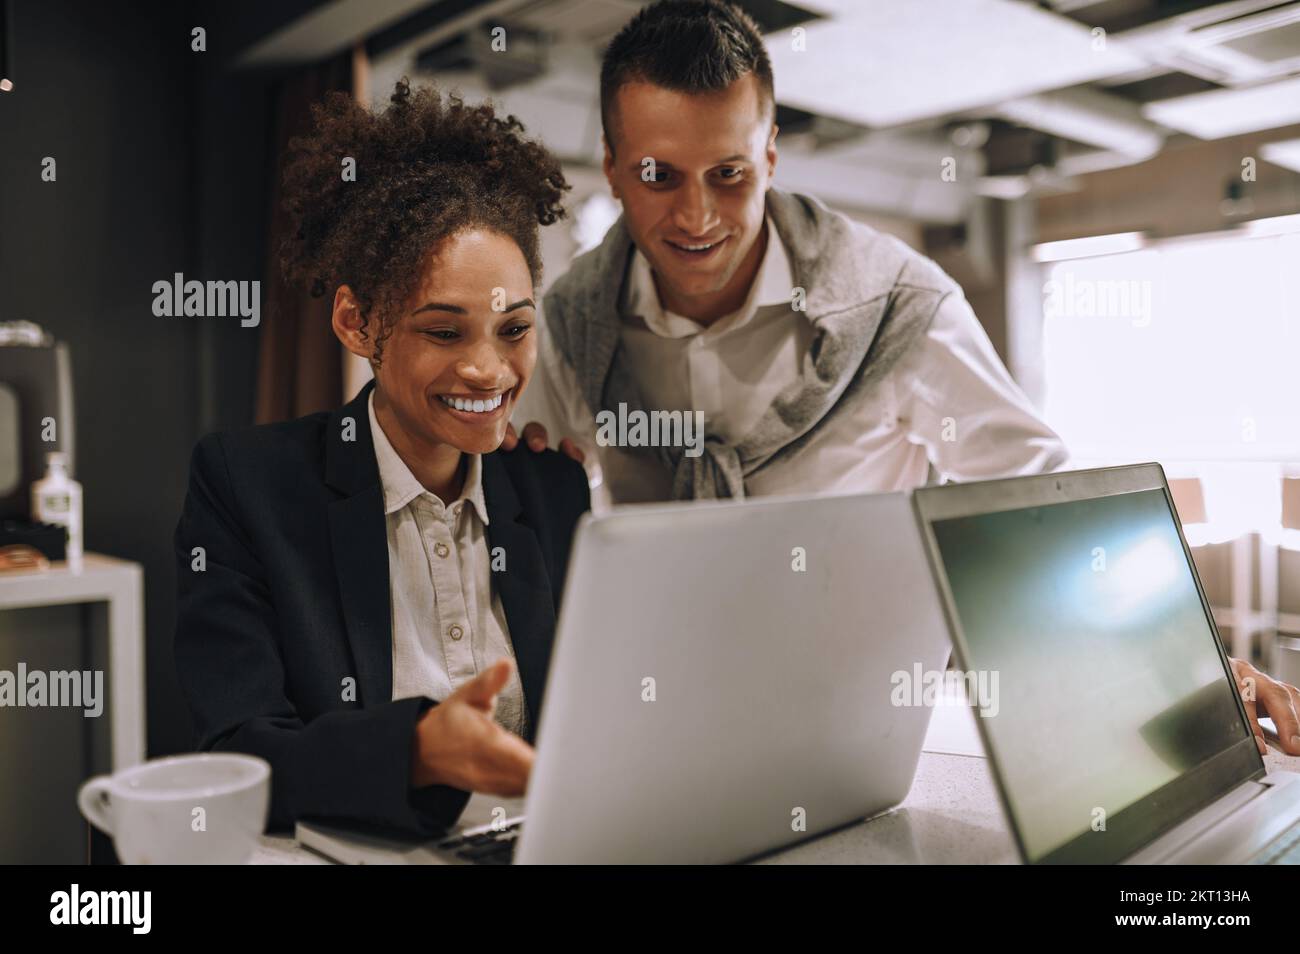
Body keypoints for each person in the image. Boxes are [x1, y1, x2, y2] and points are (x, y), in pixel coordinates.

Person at [508, 0, 1300, 754]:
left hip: (859, 729)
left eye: (729, 173)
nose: (697, 215)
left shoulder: (898, 304)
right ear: (611, 169)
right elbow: (522, 529)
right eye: (659, 177)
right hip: (660, 720)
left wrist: (1191, 671)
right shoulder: (571, 326)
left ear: (771, 153)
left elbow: (1042, 508)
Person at [173, 80, 588, 836]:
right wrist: (418, 752)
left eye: (514, 329)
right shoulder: (248, 486)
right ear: (358, 323)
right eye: (444, 332)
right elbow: (236, 756)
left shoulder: (555, 489)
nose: (489, 372)